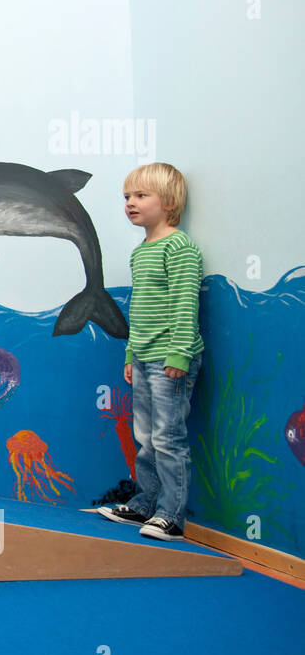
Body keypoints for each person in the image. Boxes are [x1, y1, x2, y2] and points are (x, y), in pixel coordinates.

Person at [98, 163, 203, 540]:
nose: (130, 203)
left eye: (141, 196)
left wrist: (179, 355)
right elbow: (139, 309)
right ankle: (146, 504)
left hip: (170, 359)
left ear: (169, 202)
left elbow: (185, 304)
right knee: (144, 436)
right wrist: (130, 355)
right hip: (143, 356)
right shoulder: (141, 251)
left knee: (167, 438)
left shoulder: (179, 248)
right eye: (127, 197)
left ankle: (172, 516)